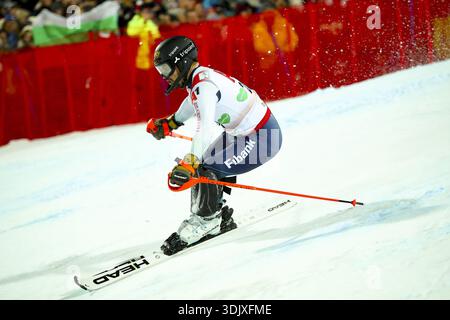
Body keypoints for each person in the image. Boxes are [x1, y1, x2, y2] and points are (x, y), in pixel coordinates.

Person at [147, 36, 283, 255]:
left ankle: (207, 221)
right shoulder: (199, 80)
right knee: (204, 164)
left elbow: (205, 128)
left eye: (165, 68)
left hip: (264, 138)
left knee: (206, 167)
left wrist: (188, 163)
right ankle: (212, 215)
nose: (164, 76)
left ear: (181, 61)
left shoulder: (204, 85)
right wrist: (172, 122)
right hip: (245, 133)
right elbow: (192, 102)